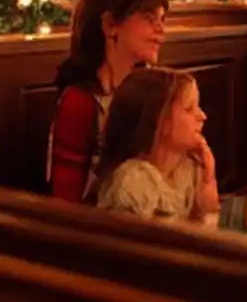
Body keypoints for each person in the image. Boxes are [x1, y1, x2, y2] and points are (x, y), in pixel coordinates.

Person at [47, 0, 169, 202]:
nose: (161, 29)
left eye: (162, 19)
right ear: (110, 24)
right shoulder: (80, 101)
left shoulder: (152, 90)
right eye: (149, 18)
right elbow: (66, 200)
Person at [93, 67, 220, 221]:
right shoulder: (134, 182)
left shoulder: (189, 172)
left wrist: (208, 181)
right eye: (189, 109)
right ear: (160, 121)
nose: (202, 116)